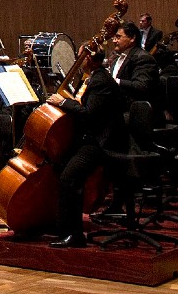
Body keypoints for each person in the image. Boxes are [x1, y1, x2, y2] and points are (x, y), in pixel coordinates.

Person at [45, 49, 128, 247]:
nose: (77, 60)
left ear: (88, 58)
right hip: (91, 139)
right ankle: (61, 224)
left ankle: (74, 235)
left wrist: (64, 102)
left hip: (102, 144)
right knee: (60, 167)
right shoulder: (93, 77)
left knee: (69, 177)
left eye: (80, 56)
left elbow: (89, 114)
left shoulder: (100, 81)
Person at [111, 22, 160, 114]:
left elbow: (141, 86)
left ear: (132, 38)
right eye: (114, 37)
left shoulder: (143, 58)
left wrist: (115, 81)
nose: (114, 41)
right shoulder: (115, 60)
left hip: (139, 113)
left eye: (118, 37)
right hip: (120, 110)